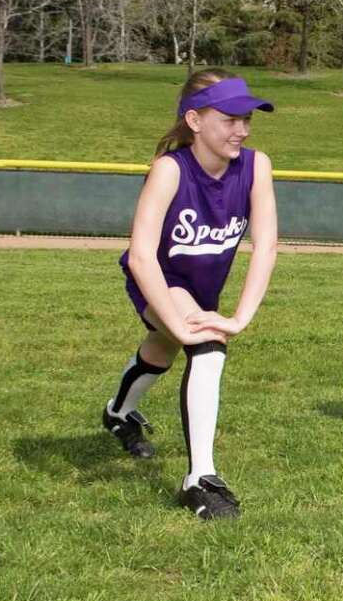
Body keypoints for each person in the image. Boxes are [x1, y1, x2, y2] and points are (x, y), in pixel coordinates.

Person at [103, 71, 278, 519]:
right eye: (230, 119)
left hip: (202, 287)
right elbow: (142, 257)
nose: (242, 129)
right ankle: (200, 478)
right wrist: (185, 323)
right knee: (206, 347)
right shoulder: (169, 170)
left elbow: (267, 246)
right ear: (195, 120)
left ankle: (118, 413)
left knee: (161, 350)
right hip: (160, 279)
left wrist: (240, 317)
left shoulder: (256, 166)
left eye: (246, 119)